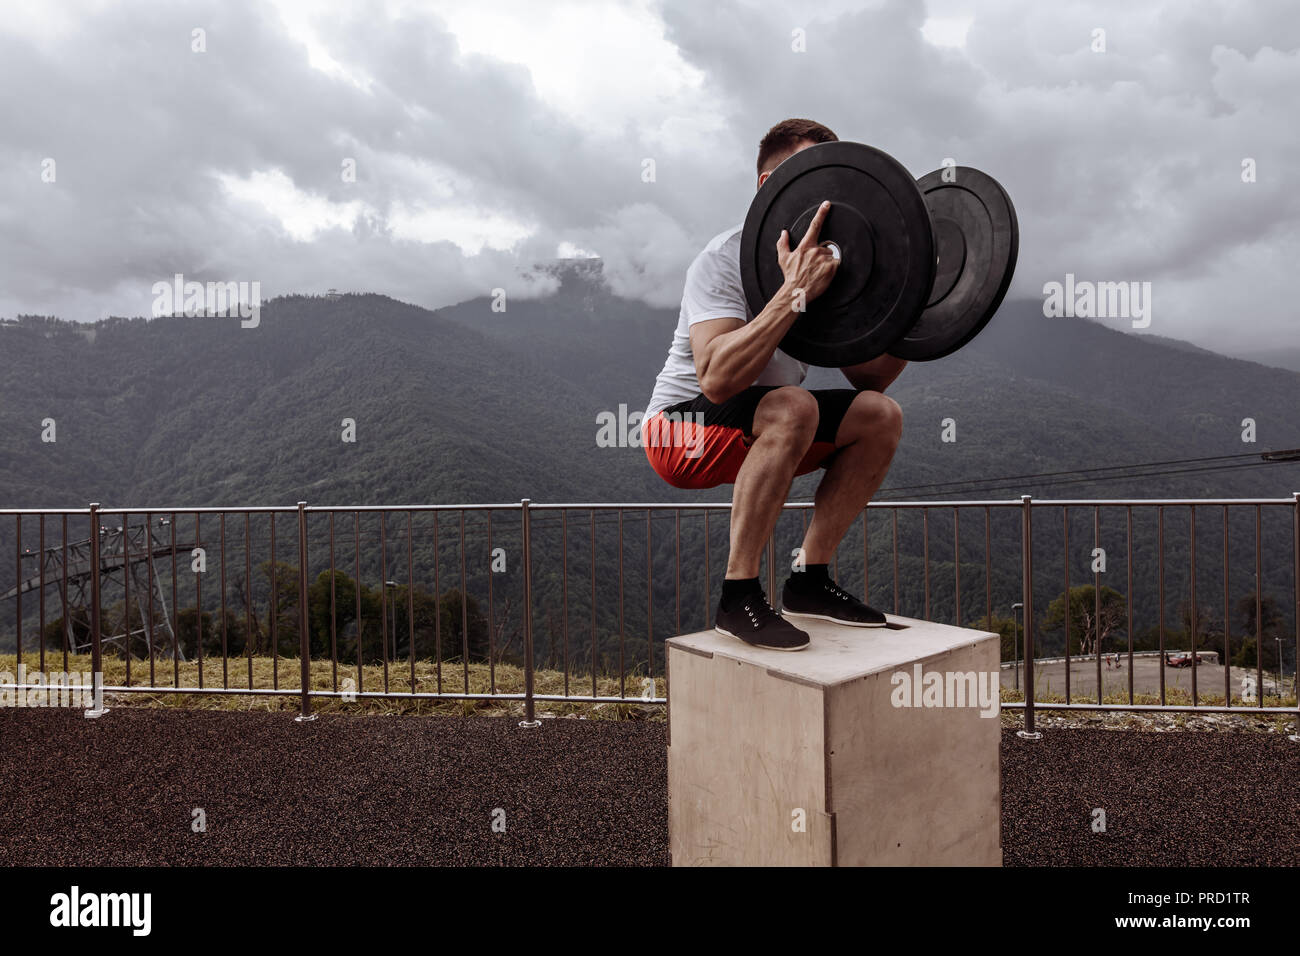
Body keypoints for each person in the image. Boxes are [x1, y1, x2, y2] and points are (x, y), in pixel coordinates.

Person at [641, 118, 905, 651]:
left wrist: (915, 302)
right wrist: (792, 293)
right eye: (806, 175)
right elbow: (716, 379)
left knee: (880, 414)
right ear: (769, 186)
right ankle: (737, 597)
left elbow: (871, 376)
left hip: (767, 423)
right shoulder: (724, 258)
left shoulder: (828, 267)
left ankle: (809, 579)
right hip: (676, 429)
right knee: (793, 406)